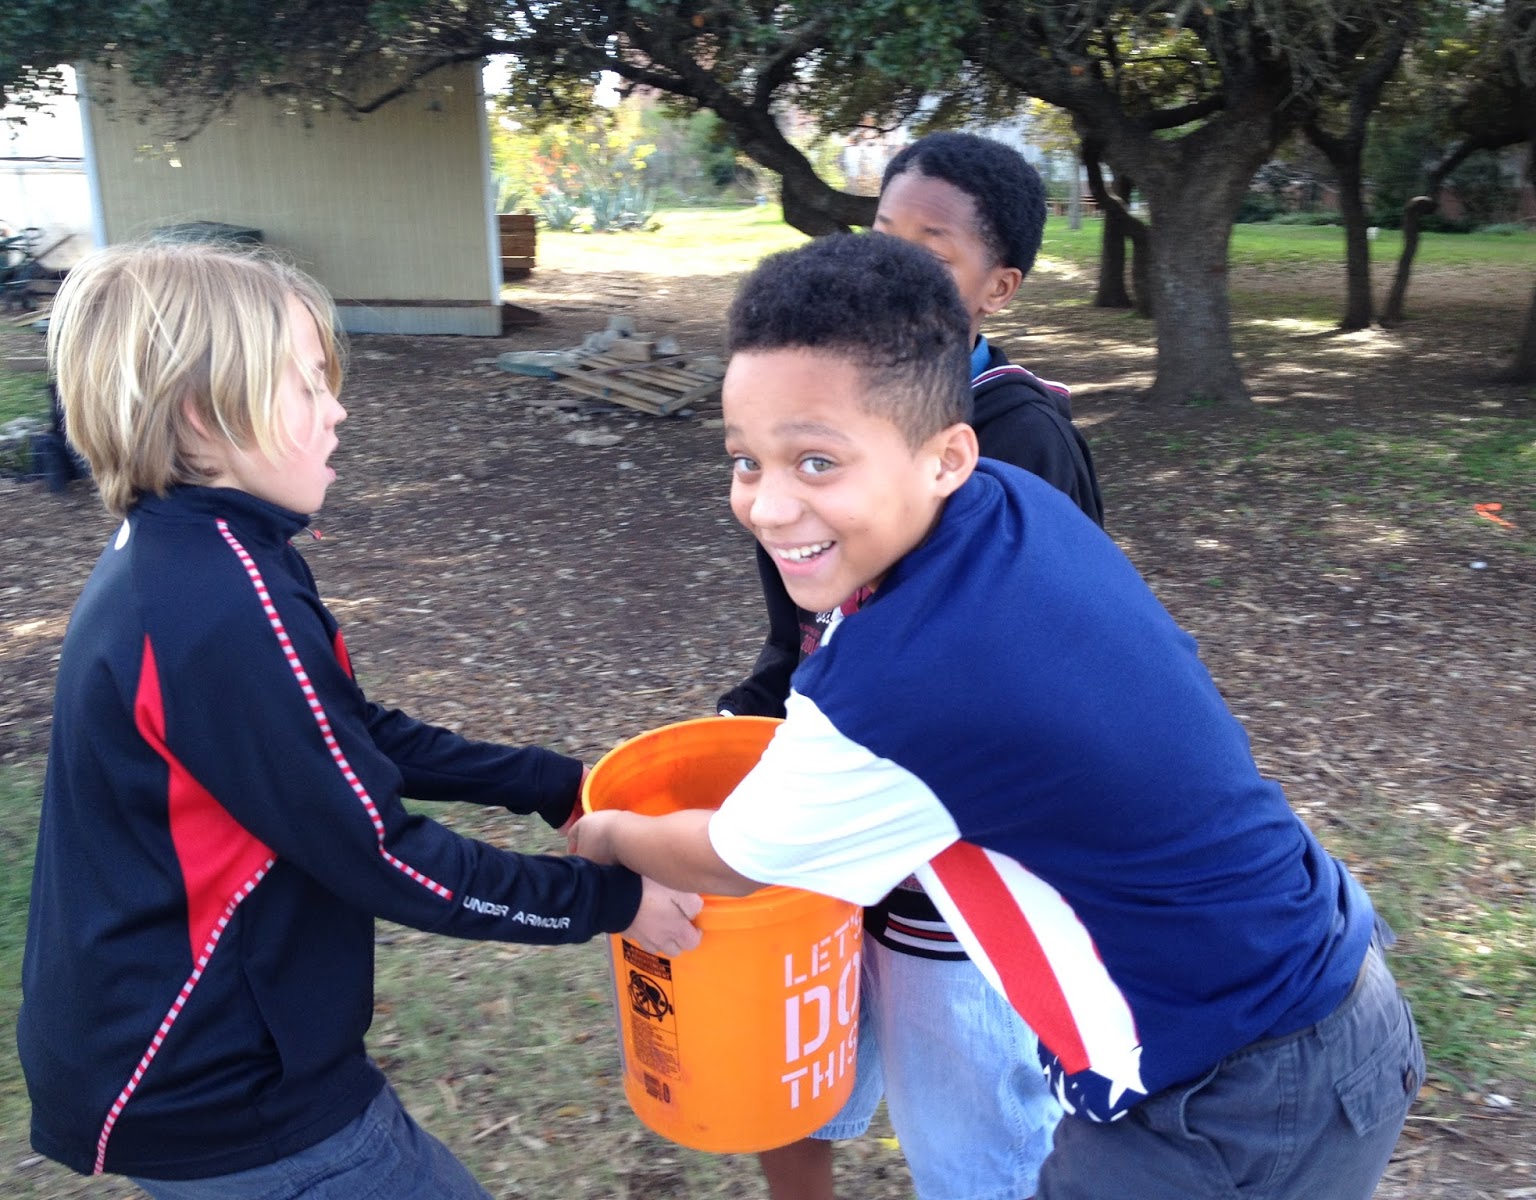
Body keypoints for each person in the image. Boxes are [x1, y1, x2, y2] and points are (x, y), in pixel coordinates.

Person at [571, 231, 1425, 1200]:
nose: (768, 508)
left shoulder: (902, 688)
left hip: (1234, 1095)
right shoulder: (1007, 504)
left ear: (946, 455)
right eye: (744, 462)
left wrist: (604, 831)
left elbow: (732, 855)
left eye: (816, 462)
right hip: (1318, 1006)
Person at [16, 241, 704, 1199]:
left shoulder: (198, 553)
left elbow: (341, 734)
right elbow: (378, 853)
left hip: (172, 1054)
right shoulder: (216, 605)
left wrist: (549, 782)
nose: (337, 409)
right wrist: (612, 903)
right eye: (305, 386)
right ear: (204, 417)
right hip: (217, 1082)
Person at [717, 132, 1101, 1200]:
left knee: (973, 1138)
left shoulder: (1021, 443)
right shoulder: (818, 415)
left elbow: (1023, 675)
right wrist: (750, 712)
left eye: (931, 250)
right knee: (796, 1079)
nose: (894, 267)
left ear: (998, 287)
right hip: (833, 823)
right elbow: (801, 637)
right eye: (883, 235)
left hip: (955, 869)